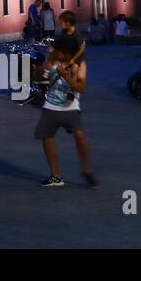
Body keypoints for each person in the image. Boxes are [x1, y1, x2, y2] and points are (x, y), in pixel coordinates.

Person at [36, 35, 95, 188]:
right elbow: (41, 77)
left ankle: (86, 170)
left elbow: (81, 88)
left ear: (67, 53)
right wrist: (39, 71)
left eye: (58, 51)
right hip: (50, 106)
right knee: (46, 137)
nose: (54, 52)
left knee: (79, 135)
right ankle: (56, 176)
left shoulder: (79, 65)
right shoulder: (52, 59)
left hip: (71, 107)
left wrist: (67, 77)